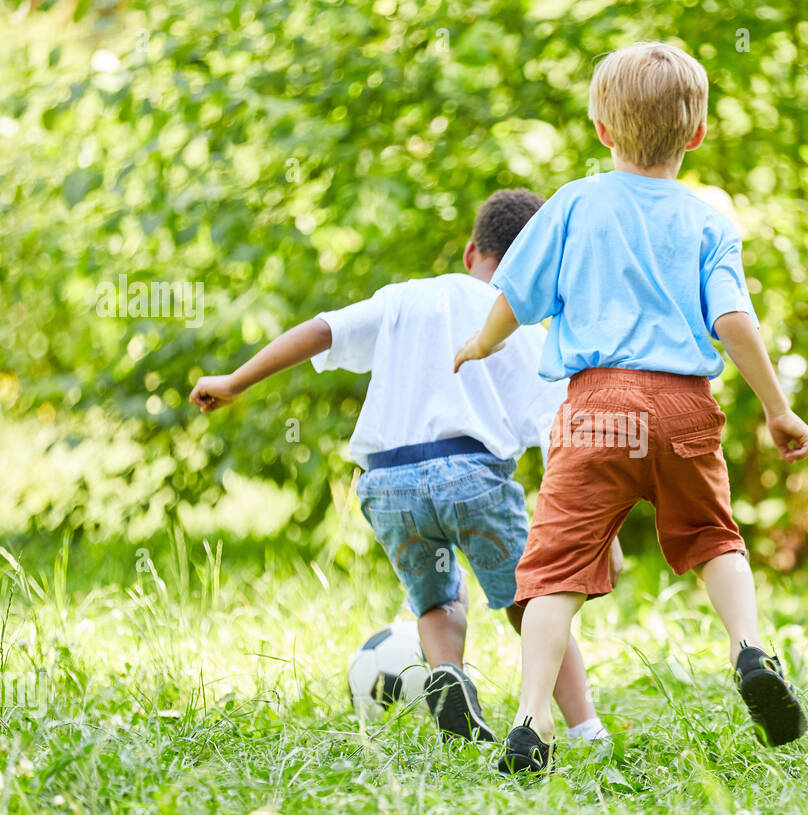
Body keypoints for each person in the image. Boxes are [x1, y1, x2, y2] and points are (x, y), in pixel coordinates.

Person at [454, 43, 808, 773]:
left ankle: (530, 722)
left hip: (596, 410)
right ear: (697, 134)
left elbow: (516, 297)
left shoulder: (575, 203)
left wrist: (480, 344)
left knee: (552, 571)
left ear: (601, 128)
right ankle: (750, 651)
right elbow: (733, 320)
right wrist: (778, 408)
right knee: (715, 537)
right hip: (682, 407)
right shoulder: (708, 222)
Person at [191, 189, 615, 745]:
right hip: (472, 478)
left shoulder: (405, 299)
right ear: (539, 270)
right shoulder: (527, 333)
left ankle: (448, 677)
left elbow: (321, 330)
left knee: (438, 600)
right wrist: (600, 529)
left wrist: (234, 380)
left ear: (470, 253)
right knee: (532, 602)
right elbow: (567, 440)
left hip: (388, 484)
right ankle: (585, 729)